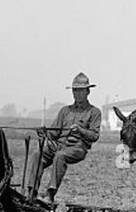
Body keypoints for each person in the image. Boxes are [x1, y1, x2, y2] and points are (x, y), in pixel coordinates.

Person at [24, 72, 102, 201]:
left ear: (88, 92)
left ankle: (50, 193)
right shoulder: (65, 111)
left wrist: (80, 130)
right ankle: (32, 191)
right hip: (58, 145)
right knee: (38, 154)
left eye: (80, 91)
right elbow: (54, 133)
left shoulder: (94, 112)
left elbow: (94, 135)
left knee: (60, 156)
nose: (77, 94)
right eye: (75, 91)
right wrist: (45, 133)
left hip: (77, 148)